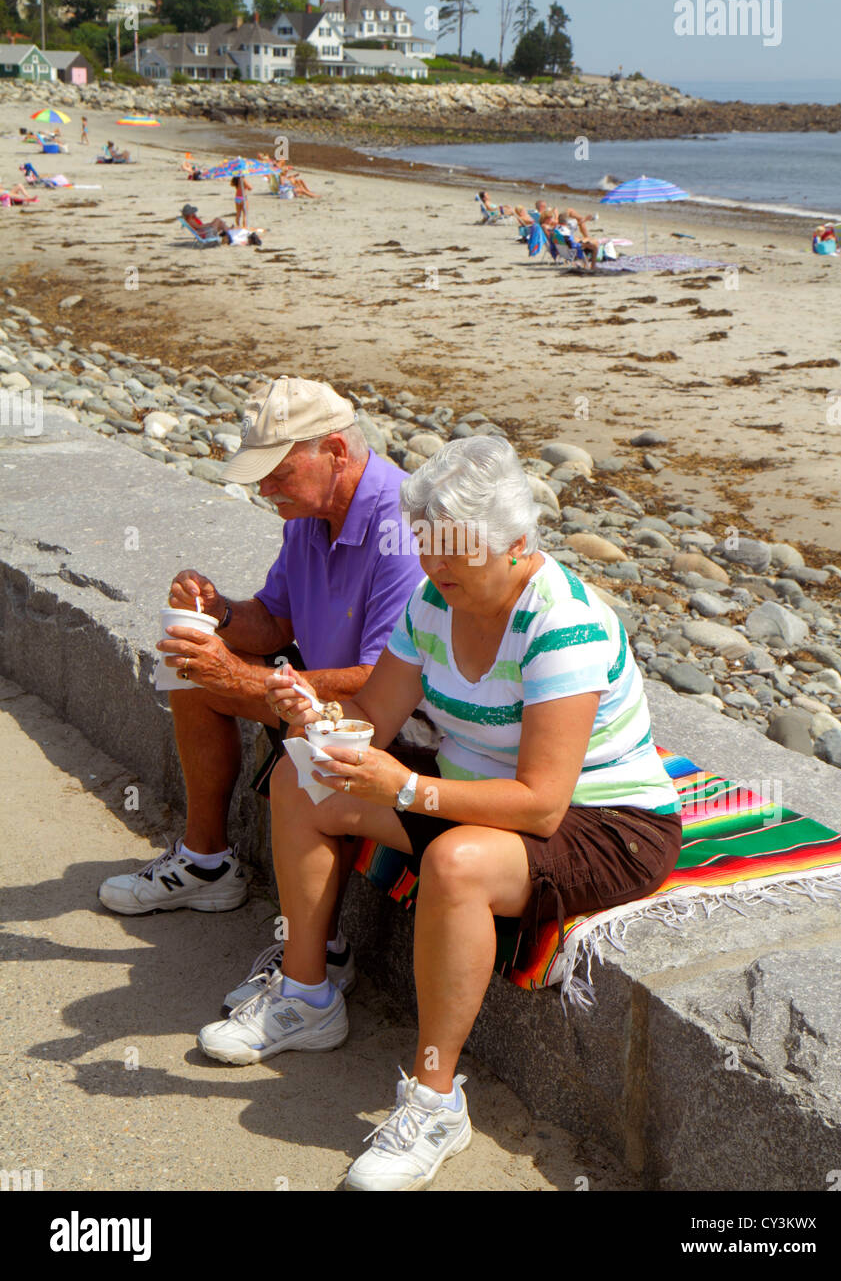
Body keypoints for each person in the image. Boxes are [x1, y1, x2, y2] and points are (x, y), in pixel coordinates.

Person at [196, 435, 682, 1191]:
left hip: (604, 822)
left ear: (517, 546)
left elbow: (543, 804)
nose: (433, 571)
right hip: (472, 791)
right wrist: (308, 710)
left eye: (453, 559)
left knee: (456, 862)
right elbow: (371, 716)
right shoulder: (435, 598)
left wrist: (406, 791)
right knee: (304, 781)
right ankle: (306, 995)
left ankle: (433, 1099)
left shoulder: (564, 623)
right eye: (427, 551)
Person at [98, 377, 427, 993]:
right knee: (191, 668)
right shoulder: (309, 510)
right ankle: (206, 861)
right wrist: (218, 611)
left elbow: (385, 679)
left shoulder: (401, 524)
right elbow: (275, 619)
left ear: (335, 450)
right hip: (346, 690)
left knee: (282, 740)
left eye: (277, 472)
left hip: (402, 713)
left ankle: (317, 954)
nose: (263, 488)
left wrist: (248, 677)